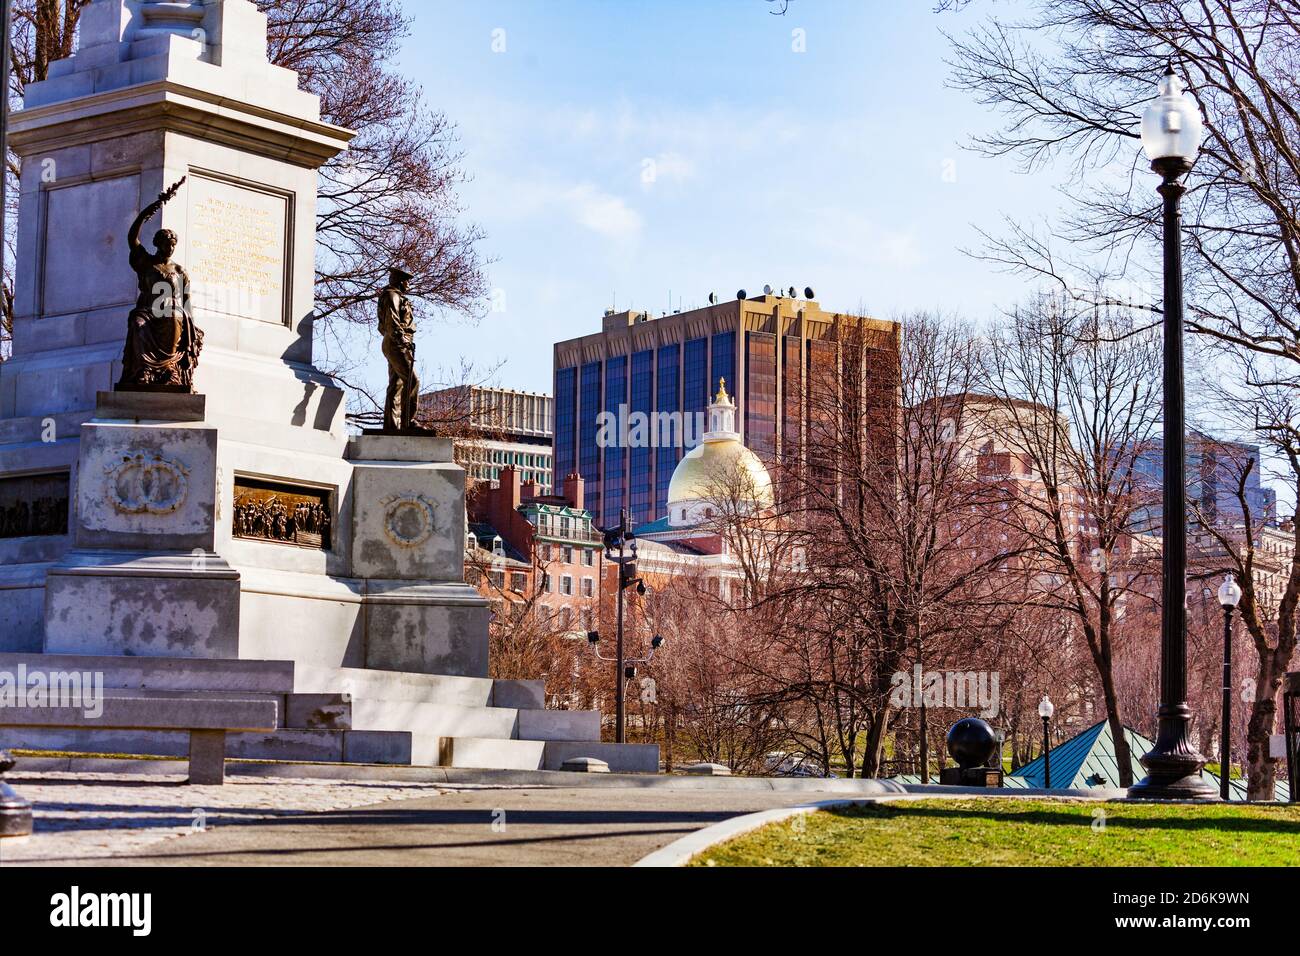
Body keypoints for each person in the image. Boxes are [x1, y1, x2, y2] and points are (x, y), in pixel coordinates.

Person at [118, 178, 203, 390]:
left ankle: (168, 370)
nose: (170, 247)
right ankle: (144, 371)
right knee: (138, 324)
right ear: (158, 244)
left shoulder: (180, 271)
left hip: (171, 312)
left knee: (174, 315)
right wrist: (150, 210)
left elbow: (186, 300)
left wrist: (191, 323)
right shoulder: (146, 262)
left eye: (173, 244)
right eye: (166, 243)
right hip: (147, 310)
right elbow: (132, 237)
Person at [378, 266, 422, 432]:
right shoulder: (392, 295)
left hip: (395, 342)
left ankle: (392, 425)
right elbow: (392, 321)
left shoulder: (395, 296)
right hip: (396, 343)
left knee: (396, 385)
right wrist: (402, 340)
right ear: (400, 281)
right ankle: (408, 422)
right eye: (407, 281)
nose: (409, 285)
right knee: (412, 381)